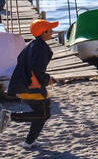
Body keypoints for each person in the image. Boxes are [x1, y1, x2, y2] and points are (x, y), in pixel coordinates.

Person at [1, 20, 57, 151]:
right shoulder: (39, 48)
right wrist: (47, 78)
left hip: (23, 83)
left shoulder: (34, 44)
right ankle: (10, 115)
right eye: (50, 29)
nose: (52, 31)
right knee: (43, 114)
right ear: (44, 32)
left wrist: (44, 79)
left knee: (42, 113)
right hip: (29, 85)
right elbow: (35, 69)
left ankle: (29, 142)